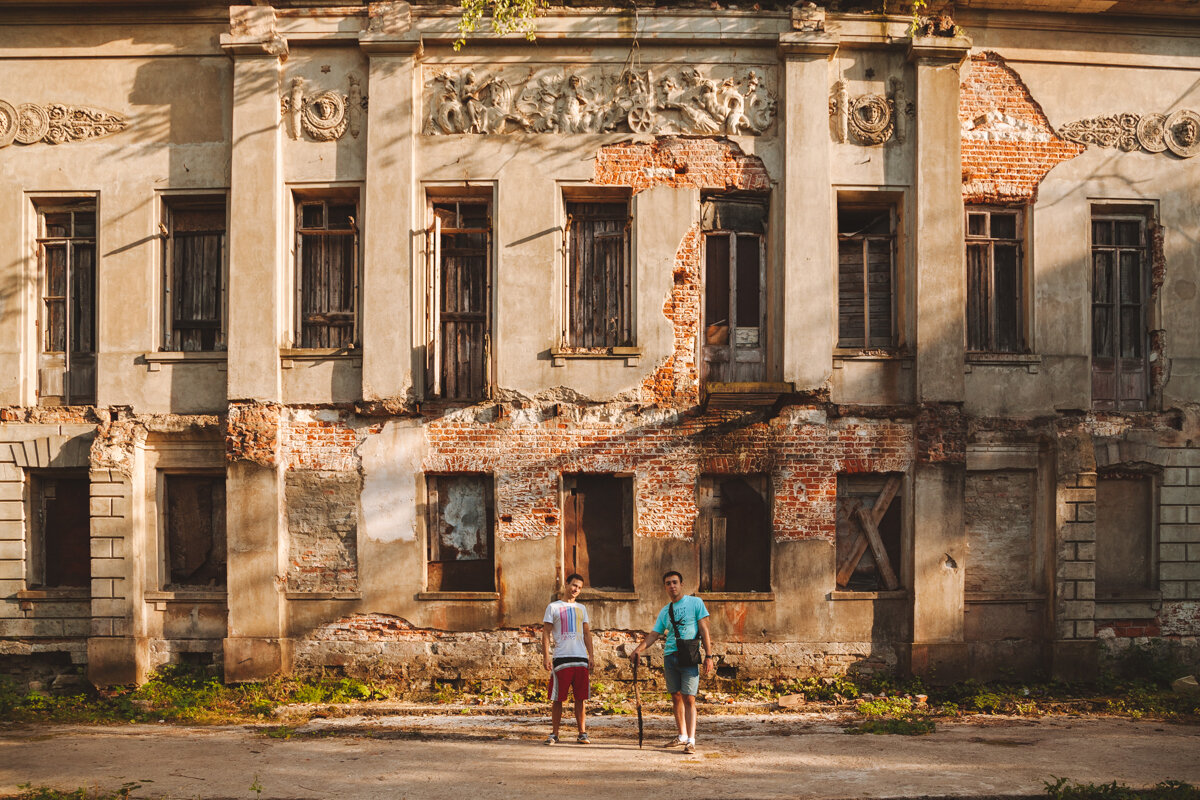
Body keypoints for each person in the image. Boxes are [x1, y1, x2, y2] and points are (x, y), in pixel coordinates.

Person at [628, 570, 715, 754]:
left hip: (689, 655)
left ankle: (691, 740)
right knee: (675, 696)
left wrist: (709, 656)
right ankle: (681, 735)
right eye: (668, 583)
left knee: (689, 697)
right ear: (665, 587)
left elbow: (704, 629)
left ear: (681, 584)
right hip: (670, 656)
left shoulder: (695, 603)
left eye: (675, 582)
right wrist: (638, 650)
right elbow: (654, 634)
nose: (672, 586)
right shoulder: (665, 611)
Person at [542, 573, 593, 745]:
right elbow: (546, 633)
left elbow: (586, 633)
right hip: (561, 659)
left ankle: (582, 733)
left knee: (581, 698)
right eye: (573, 585)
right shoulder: (553, 607)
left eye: (579, 587)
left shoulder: (582, 609)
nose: (575, 589)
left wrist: (591, 655)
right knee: (558, 699)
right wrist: (546, 656)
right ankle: (555, 733)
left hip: (580, 658)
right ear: (566, 584)